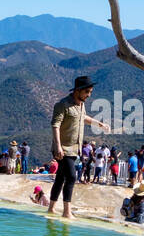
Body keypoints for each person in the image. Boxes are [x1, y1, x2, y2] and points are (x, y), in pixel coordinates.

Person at [48, 75, 112, 218]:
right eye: (87, 92)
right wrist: (58, 146)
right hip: (63, 148)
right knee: (71, 177)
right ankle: (66, 212)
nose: (89, 95)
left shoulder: (81, 105)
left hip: (74, 148)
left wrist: (99, 124)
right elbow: (55, 125)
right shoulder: (62, 105)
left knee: (60, 178)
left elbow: (84, 118)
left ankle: (51, 208)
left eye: (90, 92)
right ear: (78, 90)